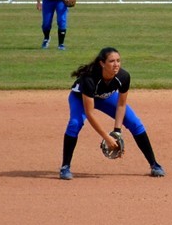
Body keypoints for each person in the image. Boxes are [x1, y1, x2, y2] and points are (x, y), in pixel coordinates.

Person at [60, 47, 165, 180]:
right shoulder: (89, 79)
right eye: (111, 61)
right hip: (80, 99)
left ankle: (154, 164)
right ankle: (65, 167)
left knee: (135, 123)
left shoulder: (123, 76)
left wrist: (117, 131)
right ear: (102, 63)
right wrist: (107, 137)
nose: (116, 64)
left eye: (118, 61)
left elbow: (121, 105)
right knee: (74, 124)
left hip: (106, 97)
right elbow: (90, 113)